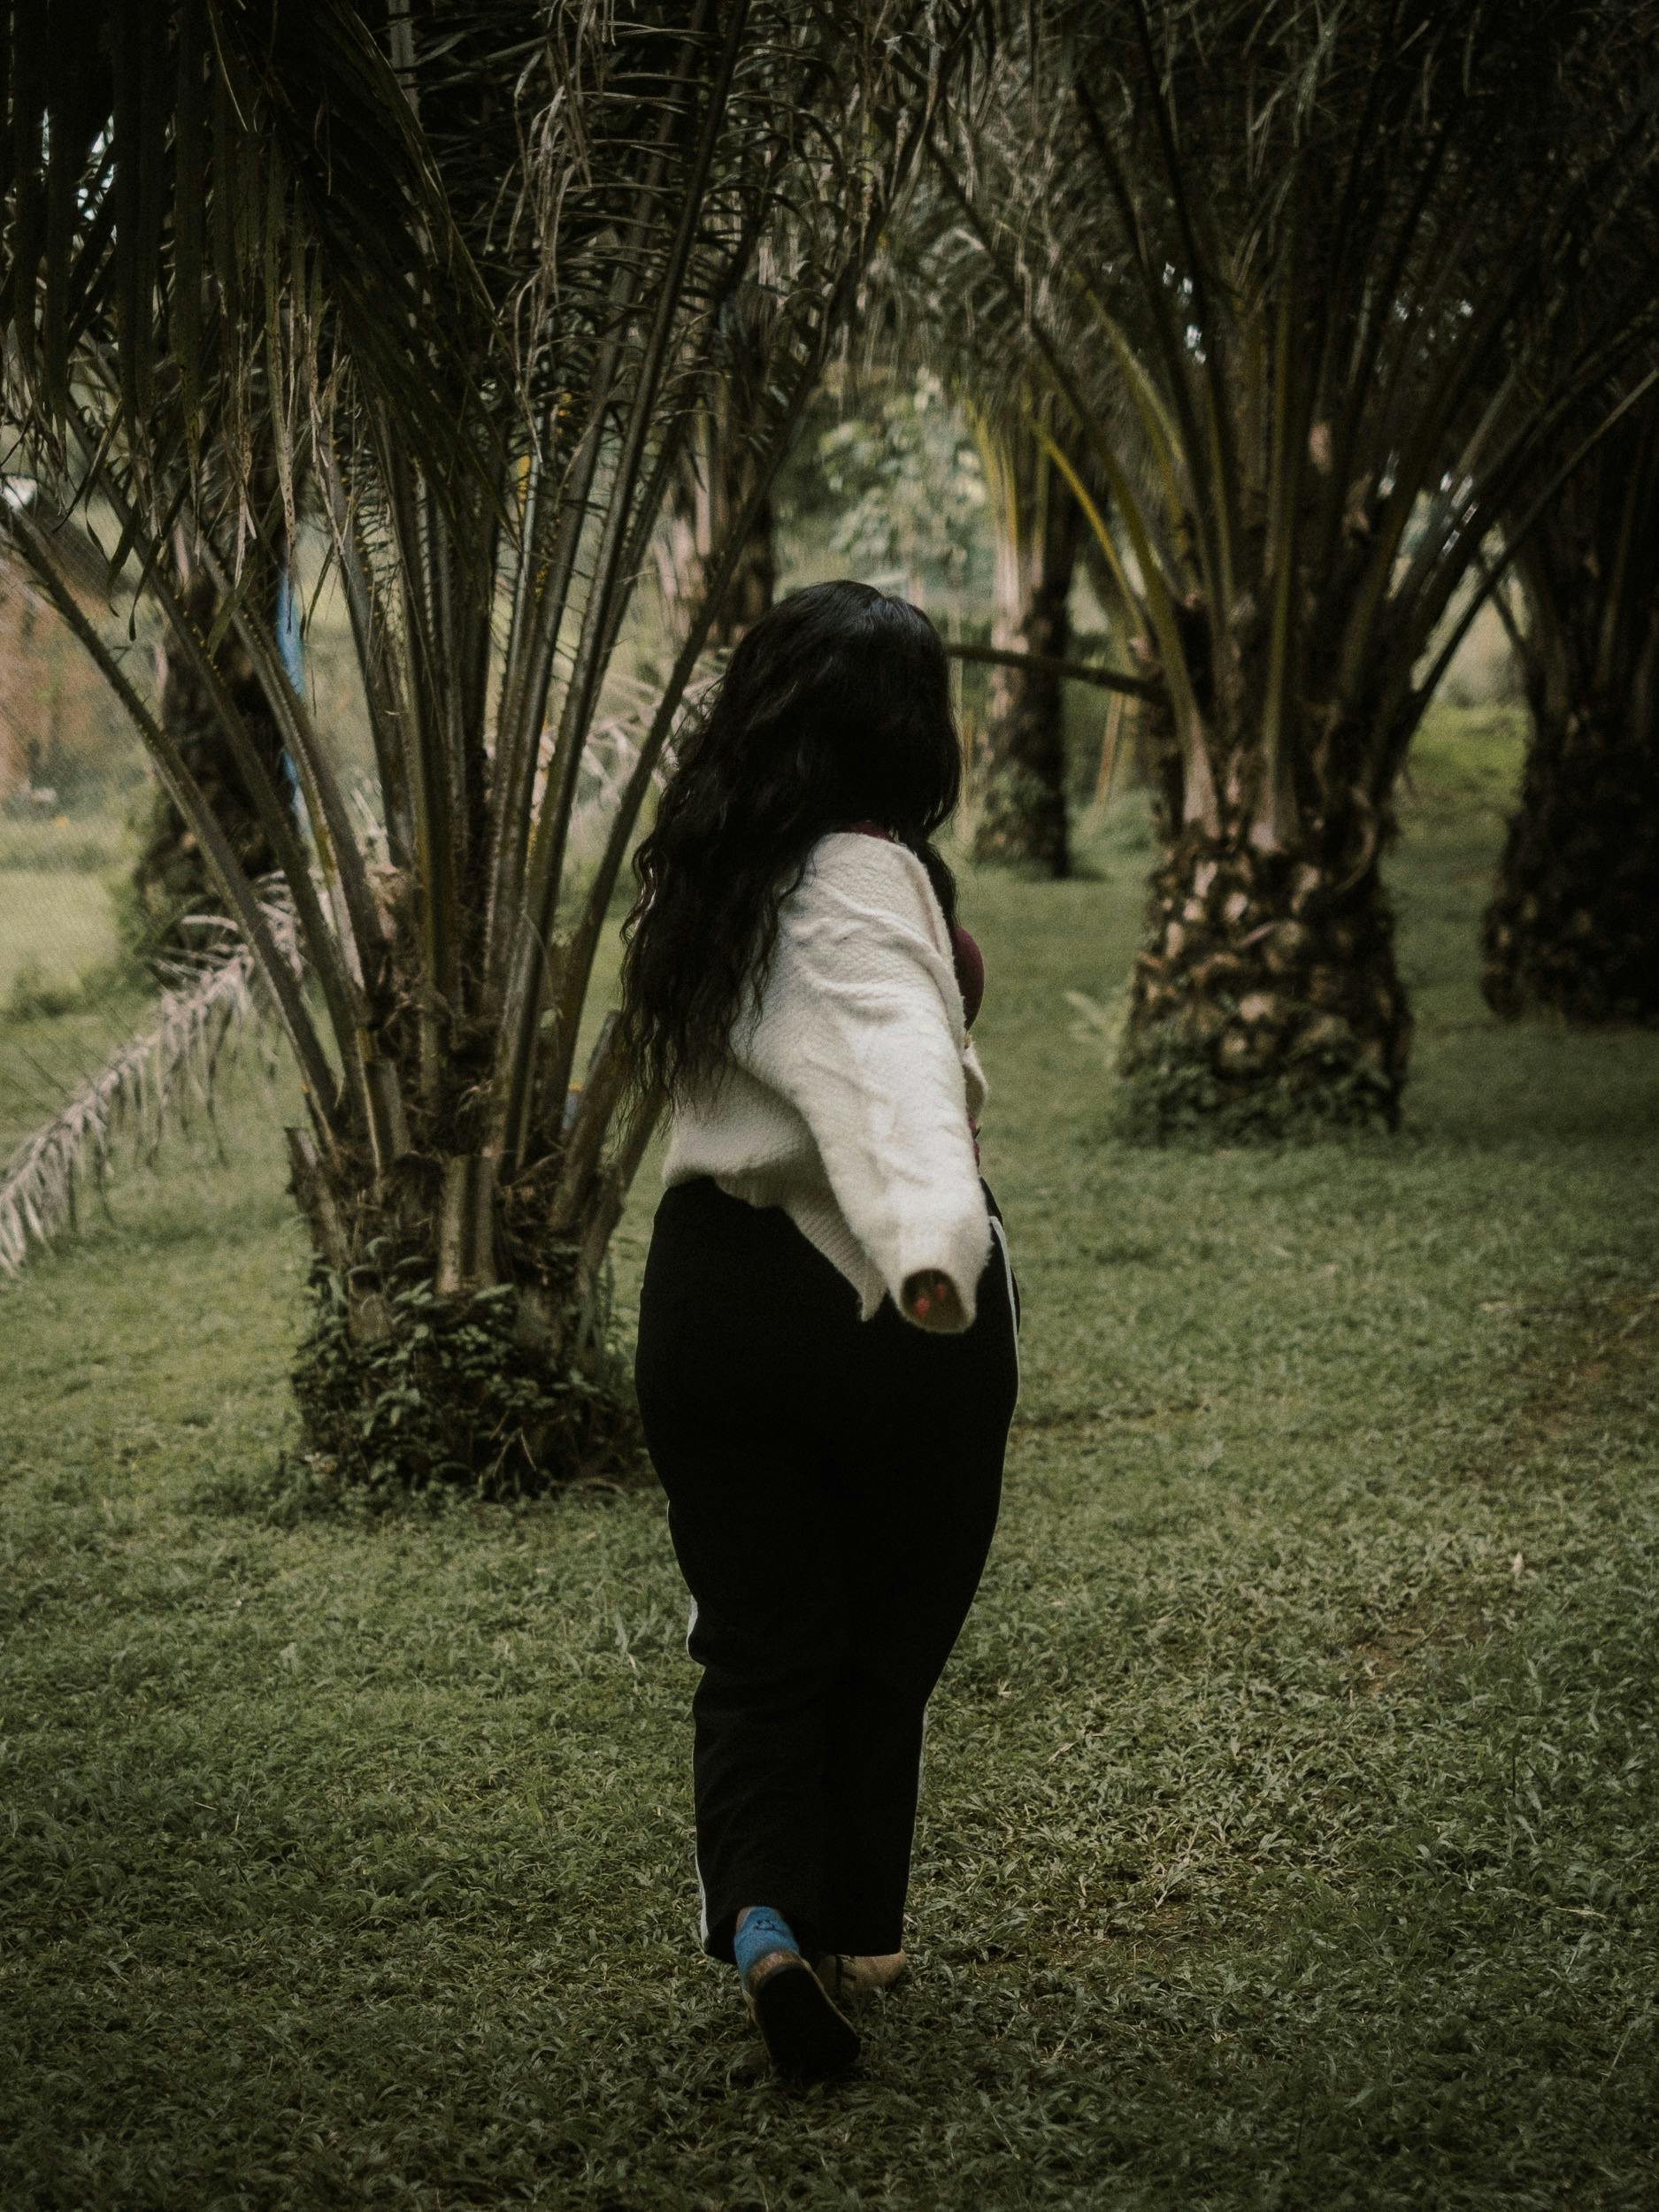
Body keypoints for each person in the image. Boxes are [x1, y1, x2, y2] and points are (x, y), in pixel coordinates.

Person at [616, 579, 1022, 2085]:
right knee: (888, 1631)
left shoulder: (707, 871)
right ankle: (860, 1922)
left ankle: (772, 1925)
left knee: (760, 1644)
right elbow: (898, 1064)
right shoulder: (864, 867)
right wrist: (931, 1251)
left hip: (706, 1296)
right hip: (876, 1302)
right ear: (907, 731)